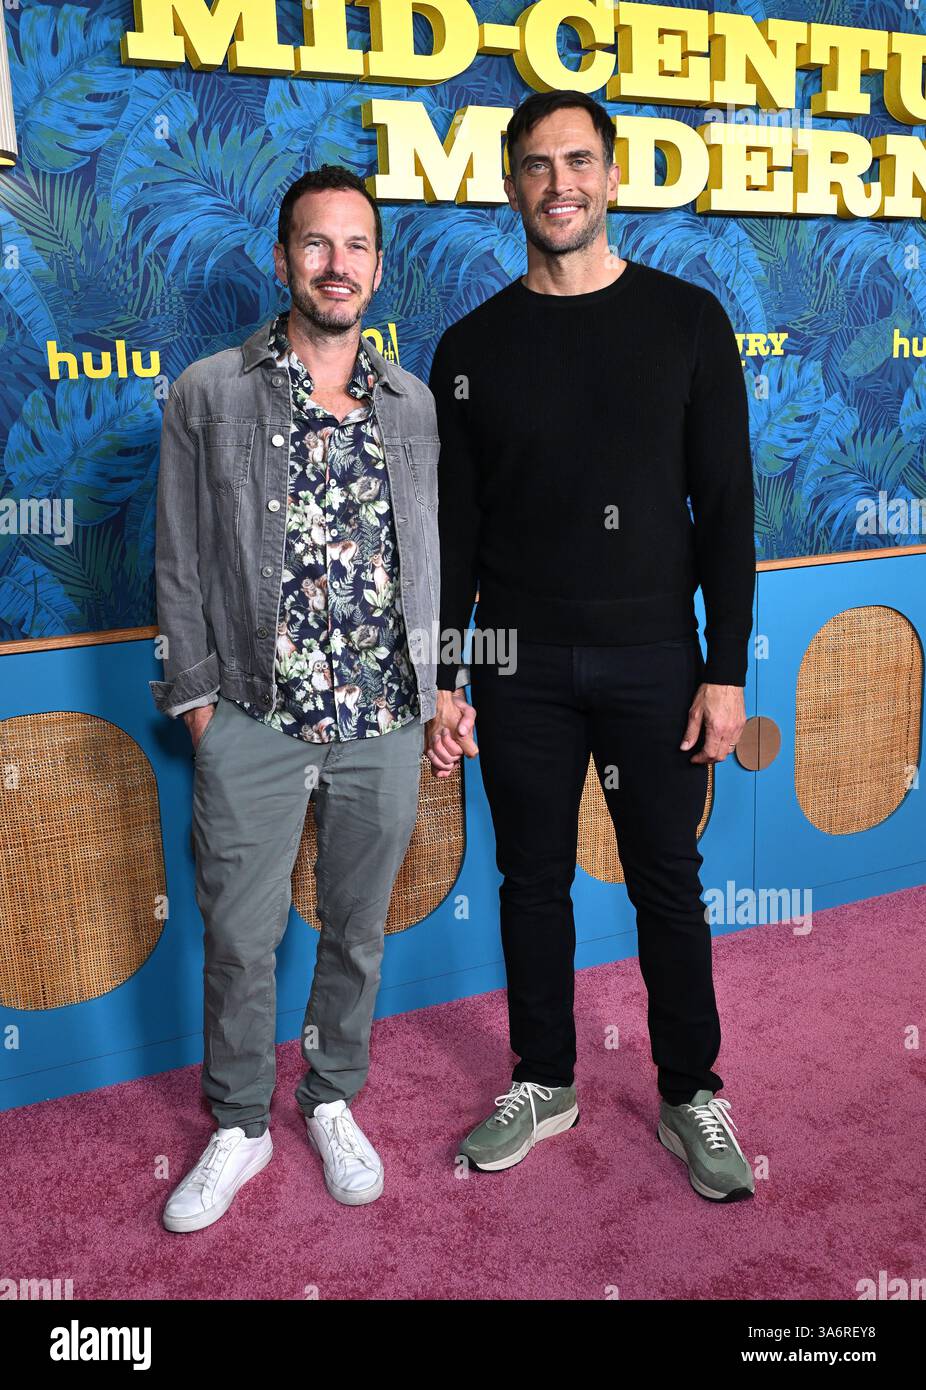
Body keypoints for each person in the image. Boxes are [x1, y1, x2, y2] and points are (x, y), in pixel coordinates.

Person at [424, 91, 757, 1202]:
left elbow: (726, 507)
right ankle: (543, 1078)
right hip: (518, 668)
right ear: (510, 185)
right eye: (534, 165)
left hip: (655, 657)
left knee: (667, 879)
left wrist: (724, 669)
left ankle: (688, 1089)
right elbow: (453, 534)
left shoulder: (687, 321)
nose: (556, 182)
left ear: (609, 178)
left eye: (576, 161)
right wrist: (443, 675)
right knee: (531, 881)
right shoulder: (468, 348)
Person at [150, 166, 441, 1229]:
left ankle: (328, 1099)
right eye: (314, 245)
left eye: (355, 245)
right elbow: (176, 562)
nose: (335, 264)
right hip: (253, 718)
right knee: (241, 933)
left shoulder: (409, 403)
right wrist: (196, 706)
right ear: (281, 261)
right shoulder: (208, 391)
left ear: (375, 264)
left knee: (357, 928)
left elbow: (436, 555)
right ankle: (237, 1123)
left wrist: (439, 688)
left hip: (383, 717)